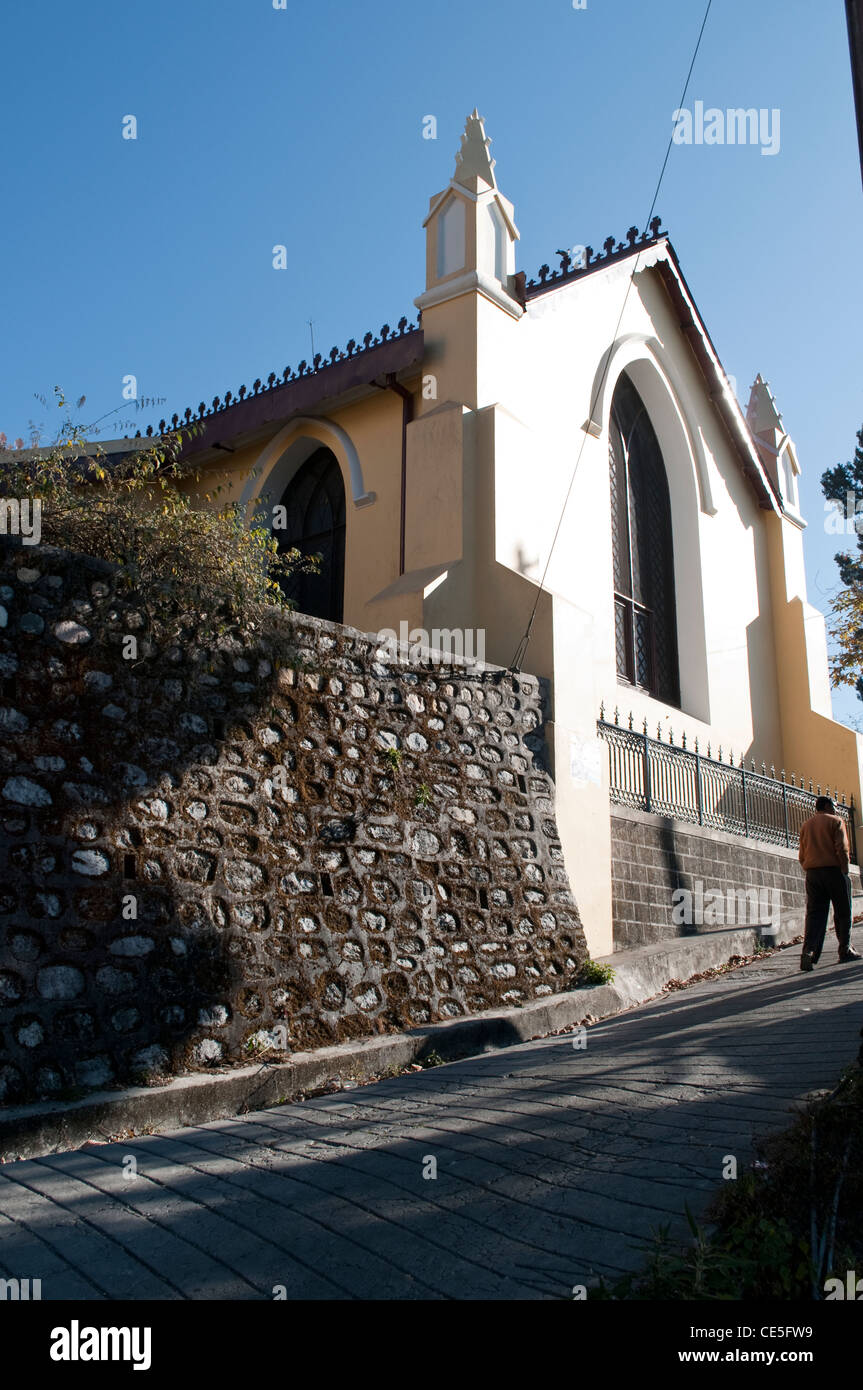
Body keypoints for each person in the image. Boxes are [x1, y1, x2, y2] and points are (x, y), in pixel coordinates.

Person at [798, 796, 860, 971]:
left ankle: (808, 952)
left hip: (812, 873)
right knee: (843, 911)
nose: (836, 810)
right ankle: (845, 949)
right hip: (834, 871)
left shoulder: (806, 825)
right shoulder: (836, 822)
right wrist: (845, 870)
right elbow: (842, 848)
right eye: (834, 806)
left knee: (815, 915)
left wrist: (809, 866)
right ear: (827, 806)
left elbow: (802, 853)